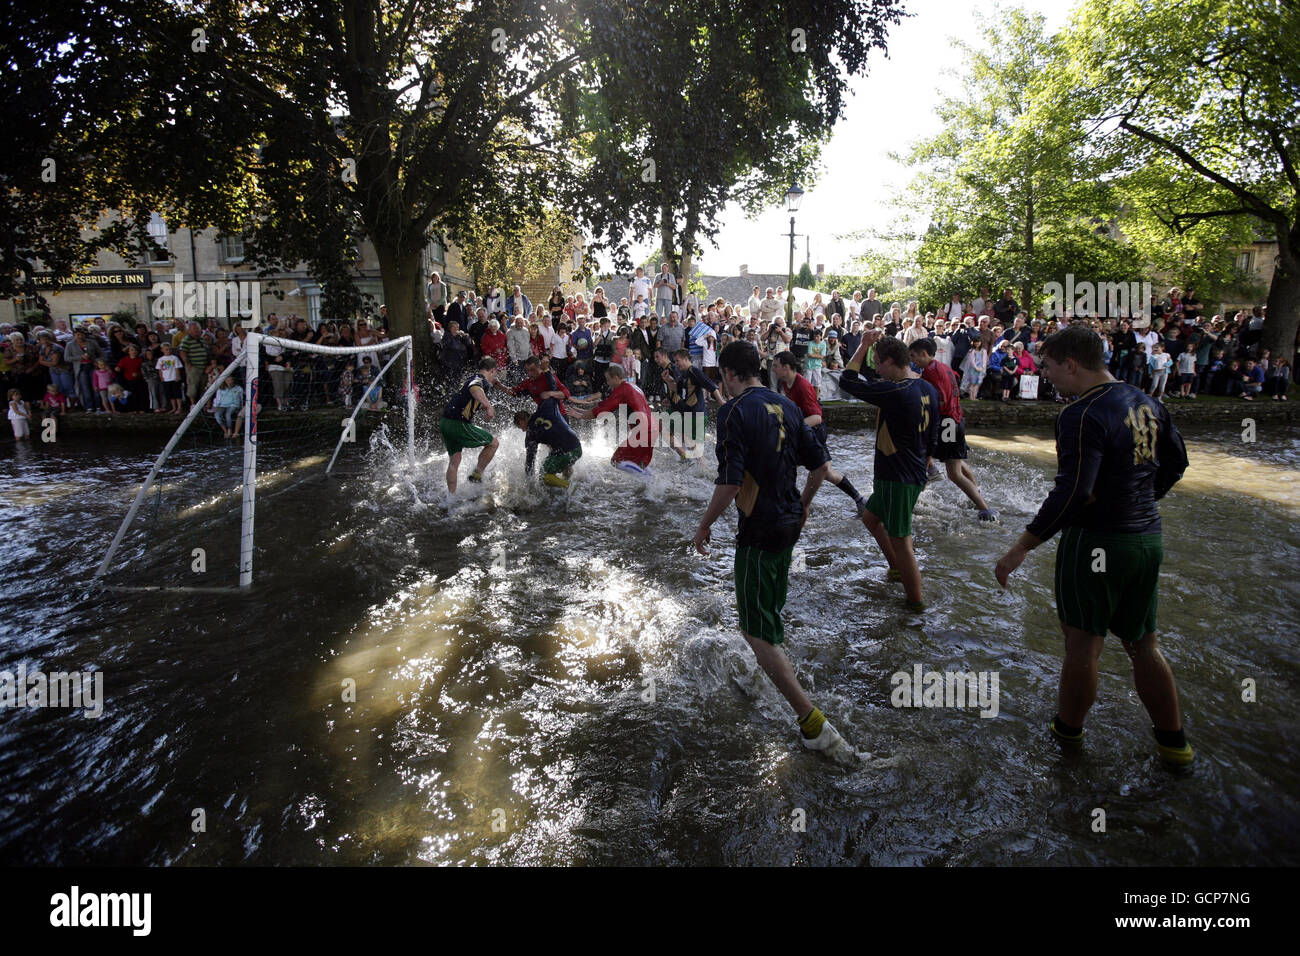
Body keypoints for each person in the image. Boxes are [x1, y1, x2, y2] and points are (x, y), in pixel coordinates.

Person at [994, 325, 1192, 765]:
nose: (1048, 378)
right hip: (1147, 539)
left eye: (1048, 369)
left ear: (1071, 363)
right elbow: (1176, 464)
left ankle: (1067, 736)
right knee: (1144, 643)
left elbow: (1073, 493)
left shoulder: (1080, 414)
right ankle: (1174, 743)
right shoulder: (1148, 402)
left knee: (1083, 644)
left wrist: (1021, 547)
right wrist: (1137, 497)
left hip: (1097, 543)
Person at [690, 341, 852, 760]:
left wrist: (704, 524)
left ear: (727, 373)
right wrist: (804, 504)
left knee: (753, 627)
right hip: (789, 522)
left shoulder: (732, 412)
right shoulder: (790, 406)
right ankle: (773, 674)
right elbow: (820, 468)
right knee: (769, 611)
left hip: (758, 531)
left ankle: (813, 724)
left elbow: (729, 481)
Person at [838, 331, 940, 611]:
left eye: (879, 364)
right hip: (904, 472)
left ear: (891, 361)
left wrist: (863, 345)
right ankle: (896, 569)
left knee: (901, 540)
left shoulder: (896, 391)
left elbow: (847, 381)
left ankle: (916, 604)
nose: (877, 370)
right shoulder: (927, 388)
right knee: (871, 518)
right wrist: (927, 461)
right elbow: (934, 435)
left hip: (899, 477)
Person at [908, 338, 997, 520]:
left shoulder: (932, 372)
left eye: (914, 356)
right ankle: (975, 495)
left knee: (954, 473)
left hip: (948, 422)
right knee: (957, 461)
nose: (912, 361)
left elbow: (940, 401)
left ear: (924, 354)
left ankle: (984, 509)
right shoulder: (942, 367)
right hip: (957, 418)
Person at [772, 350, 868, 515]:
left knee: (786, 462)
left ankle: (791, 504)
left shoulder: (802, 386)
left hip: (814, 432)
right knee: (827, 472)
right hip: (806, 431)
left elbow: (816, 417)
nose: (773, 369)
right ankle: (859, 499)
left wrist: (790, 427)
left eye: (775, 366)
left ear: (786, 367)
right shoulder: (785, 383)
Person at [568, 363, 656, 474]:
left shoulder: (622, 389)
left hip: (643, 431)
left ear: (616, 378)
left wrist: (581, 416)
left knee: (617, 460)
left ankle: (649, 480)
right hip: (652, 429)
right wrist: (582, 411)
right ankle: (655, 484)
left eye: (608, 380)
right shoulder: (633, 386)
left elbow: (602, 411)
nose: (608, 383)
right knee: (638, 463)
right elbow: (604, 404)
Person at [440, 358, 501, 493]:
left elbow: (467, 398)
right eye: (495, 374)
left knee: (454, 461)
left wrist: (482, 406)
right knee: (493, 443)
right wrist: (488, 406)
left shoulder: (470, 378)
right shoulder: (481, 381)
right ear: (492, 371)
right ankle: (477, 474)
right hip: (458, 424)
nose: (495, 377)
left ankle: (451, 497)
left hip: (445, 423)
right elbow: (475, 388)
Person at [661, 348, 721, 461]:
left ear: (685, 359)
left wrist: (721, 402)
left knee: (691, 445)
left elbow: (711, 385)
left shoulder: (694, 371)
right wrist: (668, 381)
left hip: (696, 413)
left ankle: (704, 469)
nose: (676, 364)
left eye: (677, 360)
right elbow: (677, 390)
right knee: (683, 439)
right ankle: (691, 461)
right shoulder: (685, 374)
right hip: (690, 413)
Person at [515, 397, 583, 489]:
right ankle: (568, 483)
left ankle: (570, 487)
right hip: (577, 448)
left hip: (566, 452)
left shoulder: (531, 433)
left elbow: (530, 462)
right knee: (559, 459)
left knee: (543, 475)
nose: (523, 430)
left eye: (520, 427)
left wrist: (529, 485)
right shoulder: (545, 409)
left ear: (521, 421)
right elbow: (553, 397)